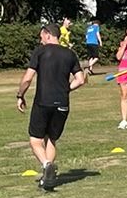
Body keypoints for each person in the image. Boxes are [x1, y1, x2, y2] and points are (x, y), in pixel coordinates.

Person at [16, 22, 85, 189]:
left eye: (41, 37)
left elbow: (27, 78)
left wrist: (20, 95)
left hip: (43, 102)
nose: (41, 41)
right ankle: (48, 177)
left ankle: (47, 165)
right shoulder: (70, 54)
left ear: (48, 35)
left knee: (35, 140)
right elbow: (80, 80)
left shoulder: (40, 52)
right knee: (51, 139)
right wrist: (66, 90)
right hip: (62, 103)